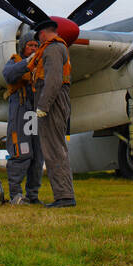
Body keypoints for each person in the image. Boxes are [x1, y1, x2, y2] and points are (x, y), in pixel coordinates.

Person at [30, 17, 75, 207]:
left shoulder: (53, 49)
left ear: (42, 34)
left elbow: (53, 81)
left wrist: (43, 106)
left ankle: (64, 197)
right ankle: (63, 195)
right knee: (54, 147)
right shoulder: (55, 48)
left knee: (54, 148)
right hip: (55, 101)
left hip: (53, 103)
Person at [2, 32, 43, 204]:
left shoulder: (40, 67)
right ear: (23, 47)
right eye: (30, 46)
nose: (33, 49)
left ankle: (33, 196)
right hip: (20, 116)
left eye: (36, 46)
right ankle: (15, 195)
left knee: (37, 157)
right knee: (21, 153)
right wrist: (28, 62)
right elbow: (8, 74)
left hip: (35, 116)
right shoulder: (15, 62)